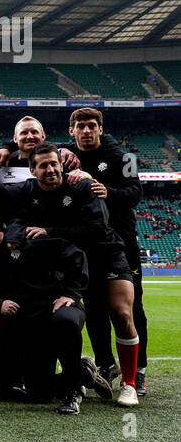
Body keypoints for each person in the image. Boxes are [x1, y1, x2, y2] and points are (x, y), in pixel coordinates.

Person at [10, 142, 139, 406]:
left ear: (62, 164)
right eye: (43, 165)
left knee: (122, 313)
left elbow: (97, 230)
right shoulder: (26, 191)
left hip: (104, 255)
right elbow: (13, 218)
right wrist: (13, 237)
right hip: (72, 264)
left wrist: (49, 231)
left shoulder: (82, 186)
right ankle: (80, 372)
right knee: (38, 394)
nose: (50, 169)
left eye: (53, 163)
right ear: (32, 170)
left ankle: (130, 383)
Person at [0, 207, 90, 414]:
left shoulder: (26, 239)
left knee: (65, 320)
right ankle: (81, 371)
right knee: (39, 395)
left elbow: (76, 256)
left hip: (57, 308)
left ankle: (72, 390)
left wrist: (71, 294)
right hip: (28, 323)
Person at [62, 107, 147, 393]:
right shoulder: (67, 158)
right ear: (71, 131)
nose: (86, 131)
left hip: (121, 243)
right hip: (86, 246)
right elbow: (30, 147)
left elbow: (135, 193)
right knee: (95, 309)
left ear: (100, 128)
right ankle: (106, 364)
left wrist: (107, 191)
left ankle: (140, 370)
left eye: (91, 126)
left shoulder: (124, 158)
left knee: (130, 309)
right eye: (80, 126)